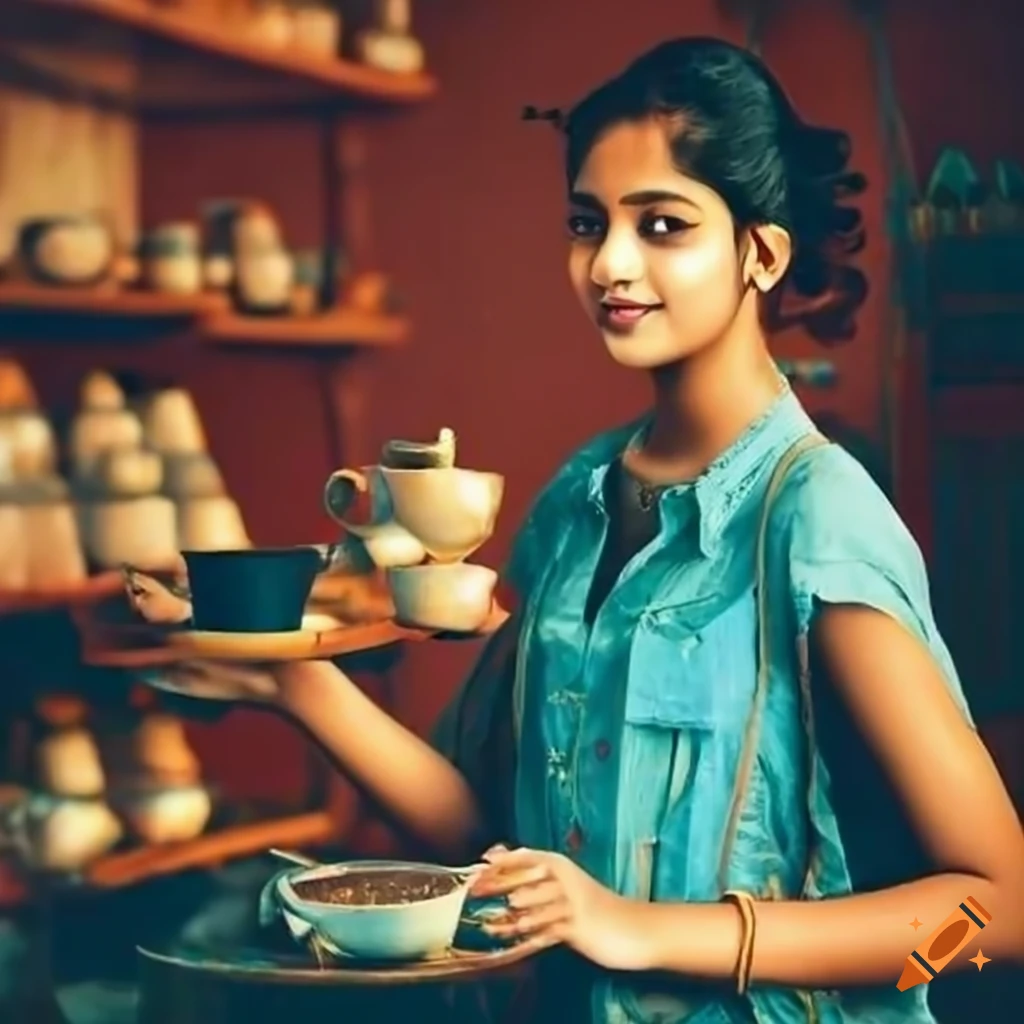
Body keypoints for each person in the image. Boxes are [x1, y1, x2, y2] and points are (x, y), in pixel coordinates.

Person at [146, 37, 1024, 1024]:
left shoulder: (816, 519)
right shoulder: (575, 501)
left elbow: (993, 910)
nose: (608, 263)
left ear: (760, 253)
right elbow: (487, 836)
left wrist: (645, 927)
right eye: (585, 223)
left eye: (661, 224)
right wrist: (291, 676)